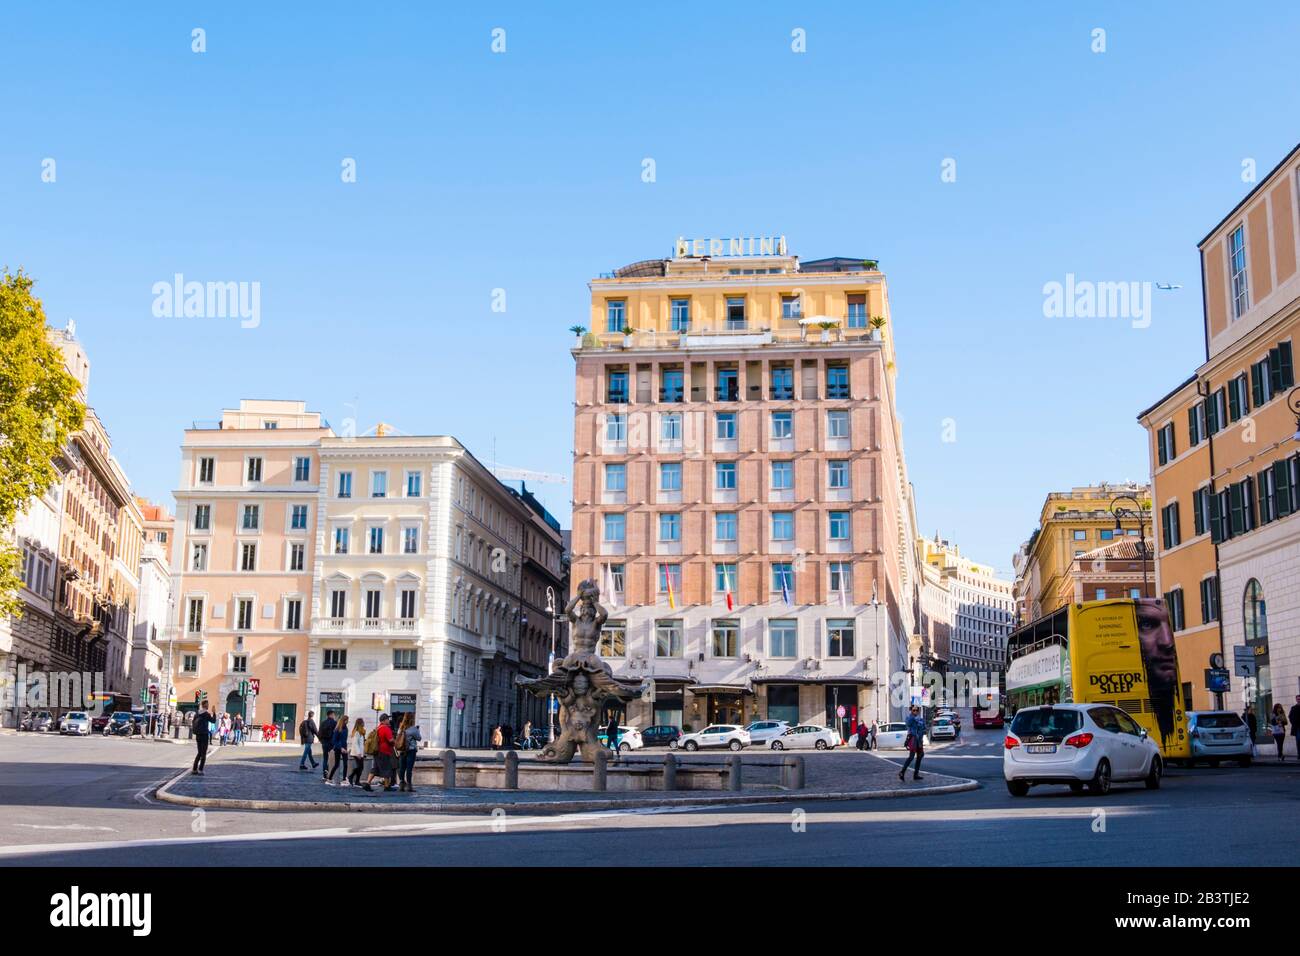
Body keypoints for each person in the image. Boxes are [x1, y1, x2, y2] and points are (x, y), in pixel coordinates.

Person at [363, 714, 397, 793]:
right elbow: (390, 740)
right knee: (387, 768)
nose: (389, 721)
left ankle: (367, 784)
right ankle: (387, 786)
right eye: (388, 719)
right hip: (384, 751)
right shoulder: (386, 728)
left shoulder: (378, 728)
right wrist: (395, 742)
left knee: (375, 768)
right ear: (384, 720)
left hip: (377, 751)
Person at [898, 705, 927, 781]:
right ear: (911, 711)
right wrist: (913, 718)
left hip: (919, 740)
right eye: (913, 710)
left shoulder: (920, 719)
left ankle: (916, 774)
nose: (915, 712)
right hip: (913, 739)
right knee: (911, 757)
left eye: (916, 710)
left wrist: (922, 731)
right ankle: (902, 772)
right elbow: (908, 724)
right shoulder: (909, 718)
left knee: (920, 756)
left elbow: (924, 727)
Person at [397, 713, 421, 792]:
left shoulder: (401, 728)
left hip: (402, 750)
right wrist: (417, 730)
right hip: (411, 750)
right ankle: (409, 786)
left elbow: (398, 737)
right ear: (412, 719)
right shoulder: (413, 729)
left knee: (402, 768)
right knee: (409, 769)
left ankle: (401, 784)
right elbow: (419, 738)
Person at [326, 713, 350, 786]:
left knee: (345, 764)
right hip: (338, 748)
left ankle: (343, 779)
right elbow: (334, 741)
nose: (348, 721)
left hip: (344, 748)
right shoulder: (337, 729)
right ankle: (329, 779)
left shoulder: (346, 728)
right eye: (347, 720)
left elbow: (344, 740)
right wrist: (340, 747)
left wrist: (345, 748)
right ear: (344, 720)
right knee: (336, 764)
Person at [191, 702, 214, 775]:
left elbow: (193, 722)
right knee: (203, 753)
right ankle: (200, 769)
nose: (208, 706)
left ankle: (194, 769)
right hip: (204, 734)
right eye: (208, 705)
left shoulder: (197, 714)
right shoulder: (206, 714)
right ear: (206, 706)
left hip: (198, 735)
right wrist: (214, 712)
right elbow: (213, 721)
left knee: (199, 752)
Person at [317, 711, 338, 779]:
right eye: (334, 715)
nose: (334, 716)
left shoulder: (323, 723)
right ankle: (331, 774)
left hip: (324, 743)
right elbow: (336, 734)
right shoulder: (335, 723)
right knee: (332, 759)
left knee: (325, 758)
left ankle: (325, 774)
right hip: (332, 743)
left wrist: (321, 741)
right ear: (331, 715)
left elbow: (319, 733)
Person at [348, 718, 366, 786]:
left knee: (361, 767)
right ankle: (351, 776)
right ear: (360, 723)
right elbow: (355, 743)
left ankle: (356, 780)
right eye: (363, 722)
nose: (364, 723)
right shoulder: (357, 732)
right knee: (360, 767)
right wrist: (358, 753)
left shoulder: (361, 732)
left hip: (360, 752)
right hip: (357, 753)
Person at [1289, 696, 1300, 762]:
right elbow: (1290, 717)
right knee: (1298, 741)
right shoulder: (1293, 708)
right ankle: (1299, 754)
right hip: (1297, 727)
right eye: (1298, 699)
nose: (1299, 700)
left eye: (1299, 699)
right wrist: (1294, 723)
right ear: (1296, 700)